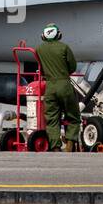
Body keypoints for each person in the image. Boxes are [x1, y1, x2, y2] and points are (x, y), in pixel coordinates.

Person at [36, 23, 81, 151]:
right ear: (58, 34)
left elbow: (42, 67)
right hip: (65, 86)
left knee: (52, 119)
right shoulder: (64, 47)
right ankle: (70, 142)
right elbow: (72, 67)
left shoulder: (39, 49)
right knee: (73, 116)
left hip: (49, 87)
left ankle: (55, 147)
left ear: (43, 36)